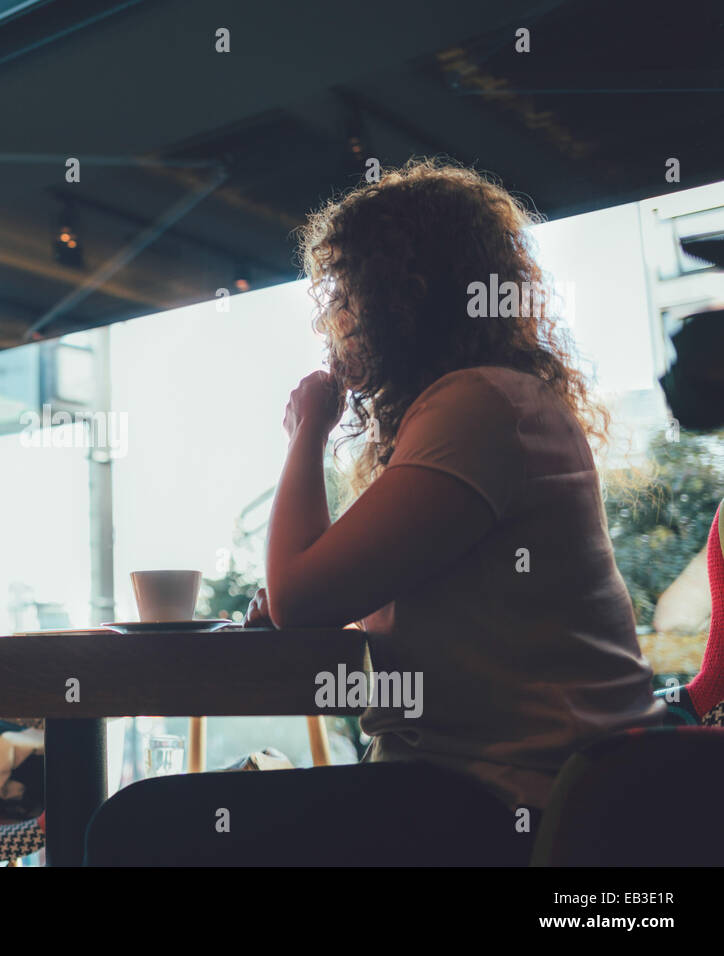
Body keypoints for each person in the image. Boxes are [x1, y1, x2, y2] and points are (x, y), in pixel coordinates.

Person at [87, 158, 665, 865]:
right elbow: (406, 602)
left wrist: (307, 429)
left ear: (397, 297)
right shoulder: (493, 400)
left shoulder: (478, 406)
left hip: (516, 800)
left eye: (348, 295)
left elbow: (302, 602)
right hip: (543, 786)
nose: (340, 319)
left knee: (135, 826)